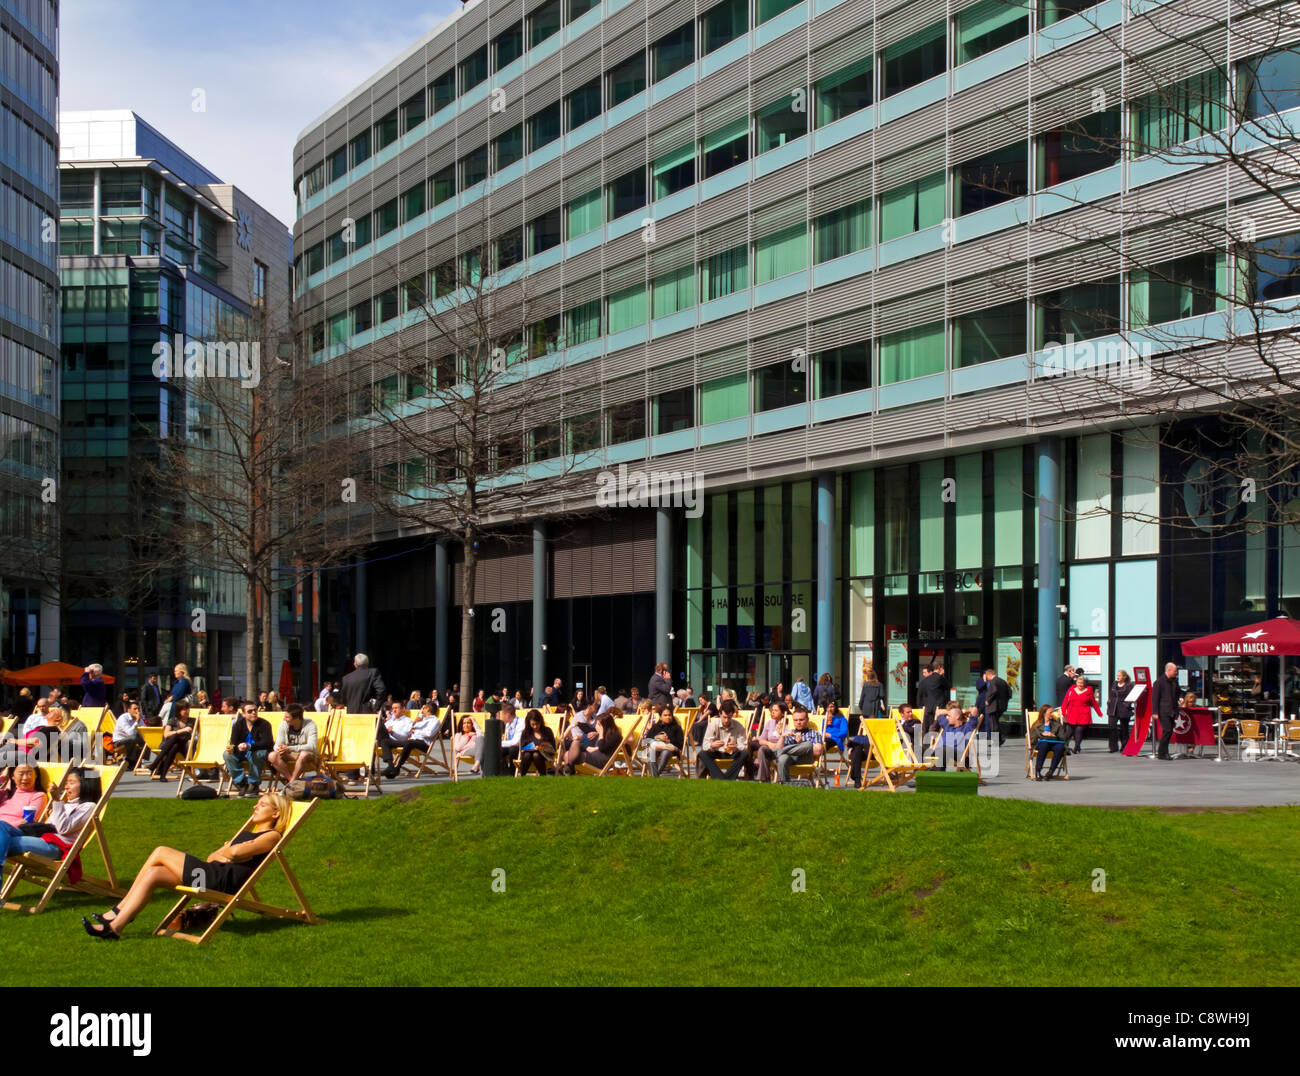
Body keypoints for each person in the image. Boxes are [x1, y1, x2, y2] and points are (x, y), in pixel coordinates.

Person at [82, 793, 291, 940]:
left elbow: (233, 853)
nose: (255, 806)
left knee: (161, 851)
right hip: (209, 875)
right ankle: (116, 928)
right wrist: (230, 853)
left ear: (275, 814)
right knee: (154, 873)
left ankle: (119, 908)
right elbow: (212, 856)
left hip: (215, 883)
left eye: (262, 805)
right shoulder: (249, 835)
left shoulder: (271, 836)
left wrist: (230, 852)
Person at [0, 766, 100, 878]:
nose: (66, 787)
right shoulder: (66, 805)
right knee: (1, 825)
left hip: (56, 847)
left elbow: (62, 829)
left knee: (4, 842)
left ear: (85, 785)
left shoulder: (88, 807)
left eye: (71, 783)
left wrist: (57, 801)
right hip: (41, 839)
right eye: (66, 783)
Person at [223, 703, 274, 797]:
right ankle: (242, 784)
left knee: (256, 754)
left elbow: (267, 743)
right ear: (243, 714)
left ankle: (254, 784)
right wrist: (236, 746)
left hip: (259, 751)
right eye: (250, 711)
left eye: (255, 710)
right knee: (227, 754)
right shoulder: (238, 724)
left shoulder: (264, 724)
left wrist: (249, 746)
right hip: (242, 752)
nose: (254, 713)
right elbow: (233, 741)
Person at [267, 704, 319, 785]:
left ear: (297, 718)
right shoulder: (283, 724)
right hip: (288, 754)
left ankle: (290, 783)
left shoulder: (311, 725)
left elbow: (312, 746)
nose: (284, 719)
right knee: (272, 756)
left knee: (303, 754)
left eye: (287, 717)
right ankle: (292, 781)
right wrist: (280, 749)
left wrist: (290, 748)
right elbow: (277, 745)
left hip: (306, 755)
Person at [698, 699, 749, 780]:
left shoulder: (738, 726)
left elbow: (744, 746)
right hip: (716, 752)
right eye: (724, 717)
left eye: (729, 717)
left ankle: (722, 778)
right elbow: (705, 745)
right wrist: (712, 745)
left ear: (732, 715)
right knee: (702, 753)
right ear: (720, 714)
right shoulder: (713, 724)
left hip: (732, 753)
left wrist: (736, 748)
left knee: (744, 754)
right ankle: (723, 778)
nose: (727, 720)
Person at [148, 701, 194, 781]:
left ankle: (156, 763)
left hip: (185, 746)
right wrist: (182, 730)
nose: (187, 711)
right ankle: (162, 775)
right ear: (178, 710)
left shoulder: (192, 721)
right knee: (175, 744)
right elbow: (166, 734)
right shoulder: (173, 720)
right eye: (184, 709)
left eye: (188, 709)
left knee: (175, 738)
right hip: (171, 745)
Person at [776, 709, 824, 783]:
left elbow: (818, 752)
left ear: (807, 720)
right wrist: (782, 737)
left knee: (808, 744)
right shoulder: (789, 733)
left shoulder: (814, 733)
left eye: (801, 720)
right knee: (782, 758)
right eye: (796, 720)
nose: (798, 722)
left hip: (806, 759)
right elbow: (778, 748)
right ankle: (784, 785)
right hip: (790, 758)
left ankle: (784, 750)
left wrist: (801, 743)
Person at [1060, 672, 1102, 755]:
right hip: (1072, 712)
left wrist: (1099, 713)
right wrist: (1063, 711)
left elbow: (1093, 703)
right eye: (1078, 682)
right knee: (1069, 732)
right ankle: (1064, 747)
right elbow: (1065, 701)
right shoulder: (1072, 689)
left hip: (1083, 713)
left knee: (1079, 731)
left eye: (1082, 683)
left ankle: (1076, 747)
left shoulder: (1089, 690)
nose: (1080, 684)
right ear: (1076, 683)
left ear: (1084, 683)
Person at [932, 702, 979, 770]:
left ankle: (938, 774)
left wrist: (963, 712)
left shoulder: (968, 726)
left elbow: (975, 709)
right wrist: (950, 712)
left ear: (957, 717)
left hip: (959, 754)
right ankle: (923, 774)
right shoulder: (947, 724)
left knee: (943, 749)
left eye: (949, 716)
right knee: (921, 750)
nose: (947, 718)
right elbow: (938, 712)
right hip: (942, 751)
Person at [0, 763, 47, 829]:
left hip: (13, 832)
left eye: (29, 774)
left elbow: (27, 822)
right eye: (21, 774)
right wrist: (2, 777)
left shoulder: (38, 796)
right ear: (12, 776)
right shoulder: (6, 794)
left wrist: (3, 826)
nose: (25, 778)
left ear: (36, 775)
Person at [1029, 704, 1067, 780]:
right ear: (1044, 713)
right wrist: (1041, 734)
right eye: (1050, 712)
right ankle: (1038, 771)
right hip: (1041, 744)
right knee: (1044, 744)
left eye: (1052, 712)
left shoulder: (1057, 724)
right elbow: (1032, 739)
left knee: (1060, 747)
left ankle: (1050, 772)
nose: (1052, 714)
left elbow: (1063, 738)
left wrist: (1053, 735)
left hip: (1054, 743)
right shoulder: (1037, 725)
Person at [646, 704, 684, 776]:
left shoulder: (676, 728)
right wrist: (657, 737)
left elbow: (680, 743)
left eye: (669, 715)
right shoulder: (656, 727)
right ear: (660, 717)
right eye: (665, 715)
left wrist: (668, 741)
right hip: (656, 748)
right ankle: (655, 777)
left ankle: (656, 775)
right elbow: (647, 739)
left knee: (665, 752)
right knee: (651, 752)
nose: (668, 717)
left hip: (671, 750)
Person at [753, 703, 786, 782]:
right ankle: (763, 779)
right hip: (770, 750)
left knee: (762, 751)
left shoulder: (787, 723)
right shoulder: (769, 722)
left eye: (776, 710)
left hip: (782, 751)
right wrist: (769, 743)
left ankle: (763, 779)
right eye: (772, 710)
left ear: (782, 713)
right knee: (762, 749)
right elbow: (761, 740)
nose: (772, 712)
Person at [516, 709, 556, 776]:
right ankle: (522, 775)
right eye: (533, 724)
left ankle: (543, 775)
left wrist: (541, 747)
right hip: (527, 756)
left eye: (537, 724)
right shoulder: (526, 733)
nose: (535, 726)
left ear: (540, 722)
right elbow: (522, 748)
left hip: (544, 756)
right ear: (529, 723)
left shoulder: (547, 731)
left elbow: (553, 747)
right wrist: (531, 747)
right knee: (528, 755)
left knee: (536, 755)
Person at [112, 701, 150, 769]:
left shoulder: (138, 718)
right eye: (134, 709)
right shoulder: (123, 718)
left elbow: (144, 729)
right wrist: (137, 721)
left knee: (147, 738)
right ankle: (130, 760)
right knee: (134, 737)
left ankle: (140, 759)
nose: (137, 711)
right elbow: (130, 733)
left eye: (138, 709)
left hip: (132, 740)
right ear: (128, 710)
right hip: (119, 741)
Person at [916, 662, 949, 735]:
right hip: (939, 708)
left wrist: (920, 706)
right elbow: (948, 686)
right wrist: (941, 675)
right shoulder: (940, 678)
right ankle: (936, 743)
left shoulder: (924, 681)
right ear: (940, 668)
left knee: (928, 727)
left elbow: (919, 695)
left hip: (927, 708)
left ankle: (927, 743)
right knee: (938, 728)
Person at [981, 668, 1011, 746]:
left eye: (986, 676)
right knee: (996, 723)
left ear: (989, 675)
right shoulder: (1002, 681)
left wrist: (988, 700)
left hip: (993, 707)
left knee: (994, 724)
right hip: (1002, 706)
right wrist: (1004, 700)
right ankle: (1000, 739)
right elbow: (1009, 692)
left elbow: (993, 691)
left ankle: (996, 741)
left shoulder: (993, 682)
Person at [1107, 670, 1133, 753]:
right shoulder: (1114, 684)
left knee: (1124, 729)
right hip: (1113, 708)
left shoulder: (1129, 685)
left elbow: (1131, 696)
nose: (1117, 677)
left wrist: (1127, 704)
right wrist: (1109, 702)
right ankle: (1113, 747)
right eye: (1117, 675)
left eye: (1119, 675)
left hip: (1123, 709)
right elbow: (1111, 694)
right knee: (1112, 727)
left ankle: (1124, 746)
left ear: (1124, 677)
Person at [1179, 690, 1205, 759]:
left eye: (1193, 702)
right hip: (1184, 727)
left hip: (1194, 727)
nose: (1192, 703)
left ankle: (1192, 749)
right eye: (1190, 702)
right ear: (1186, 700)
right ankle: (1188, 749)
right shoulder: (1182, 708)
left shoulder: (1196, 707)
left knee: (1198, 733)